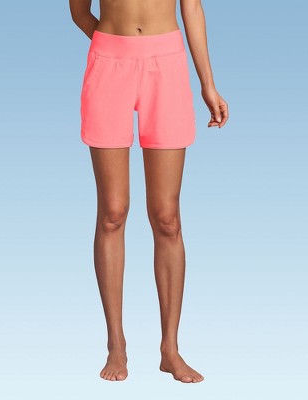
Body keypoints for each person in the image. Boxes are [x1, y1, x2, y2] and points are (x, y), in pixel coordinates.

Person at [70, 0, 229, 383]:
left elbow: (192, 7)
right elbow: (78, 11)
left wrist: (208, 84)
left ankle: (170, 350)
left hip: (166, 64)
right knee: (112, 212)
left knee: (167, 218)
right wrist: (113, 48)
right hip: (110, 66)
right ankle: (116, 344)